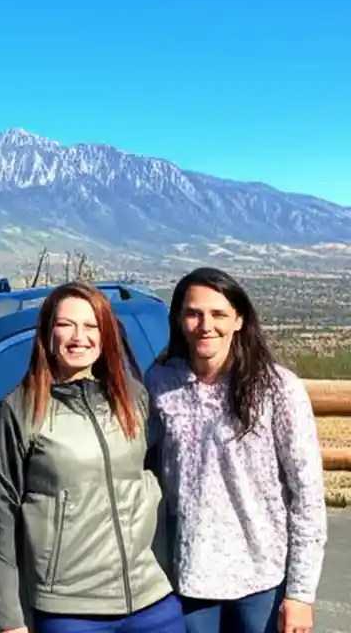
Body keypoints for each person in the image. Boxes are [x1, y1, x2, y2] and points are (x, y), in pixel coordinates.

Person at [0, 281, 181, 633]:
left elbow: (157, 476)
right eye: (66, 325)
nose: (79, 336)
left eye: (91, 326)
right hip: (71, 609)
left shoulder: (131, 397)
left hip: (150, 595)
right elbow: (1, 517)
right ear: (47, 333)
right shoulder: (20, 410)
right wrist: (10, 618)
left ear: (105, 335)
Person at [144, 267, 327, 633]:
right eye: (194, 313)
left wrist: (301, 594)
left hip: (263, 579)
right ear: (179, 320)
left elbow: (306, 494)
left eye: (218, 314)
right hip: (188, 575)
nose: (205, 324)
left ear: (239, 320)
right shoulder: (160, 382)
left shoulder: (276, 389)